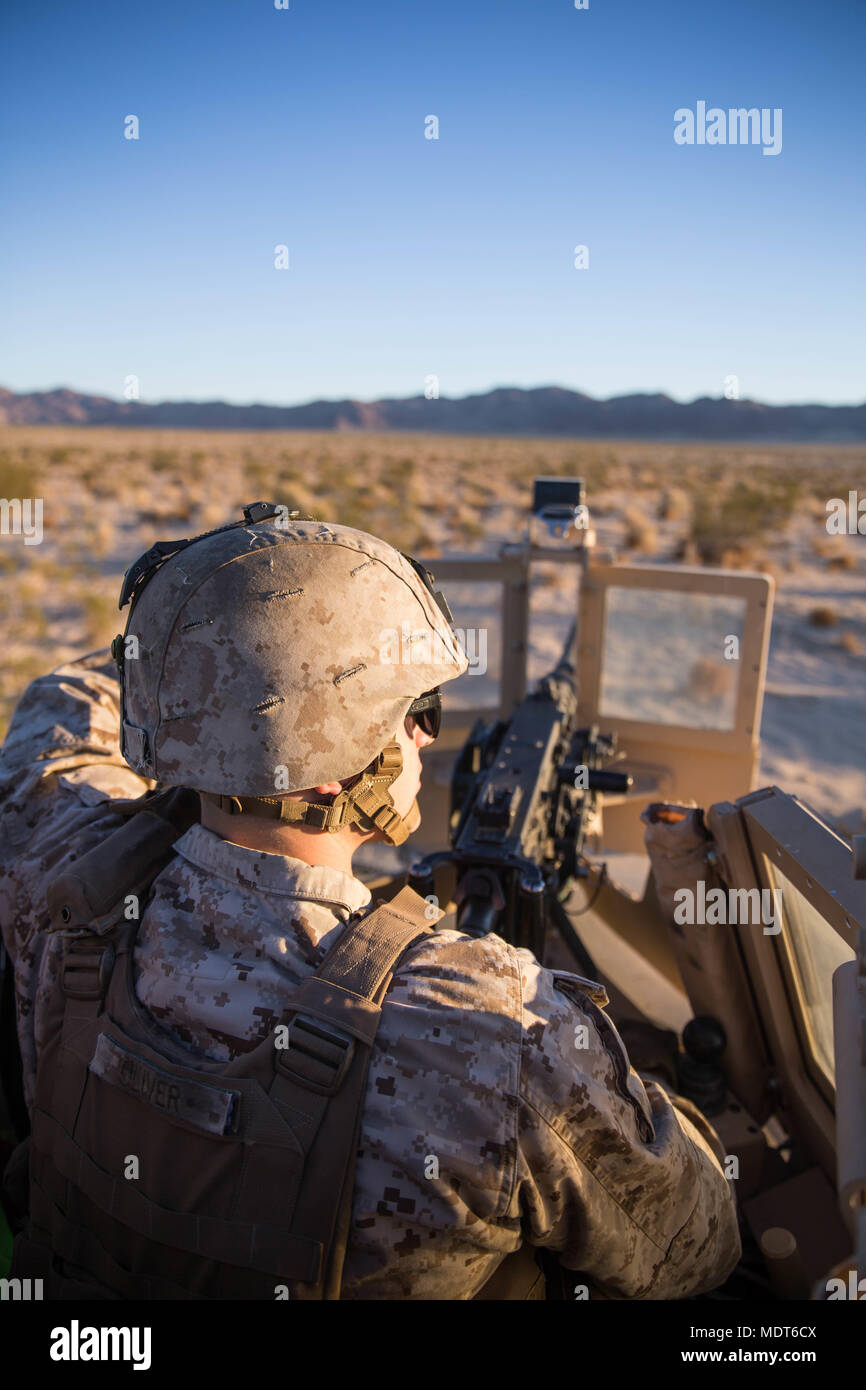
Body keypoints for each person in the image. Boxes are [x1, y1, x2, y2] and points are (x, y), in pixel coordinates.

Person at [0, 505, 741, 1300]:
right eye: (415, 714)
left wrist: (225, 599)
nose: (426, 738)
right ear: (330, 768)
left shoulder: (57, 872)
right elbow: (694, 1247)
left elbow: (61, 708)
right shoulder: (495, 1035)